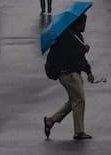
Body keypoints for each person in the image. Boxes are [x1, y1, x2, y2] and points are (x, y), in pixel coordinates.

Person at [43, 13, 96, 141]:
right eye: (83, 23)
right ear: (78, 23)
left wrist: (88, 70)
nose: (84, 26)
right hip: (68, 73)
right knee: (79, 100)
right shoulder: (68, 37)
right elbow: (75, 57)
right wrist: (83, 50)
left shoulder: (75, 36)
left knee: (74, 100)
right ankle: (79, 132)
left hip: (71, 73)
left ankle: (50, 121)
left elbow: (80, 57)